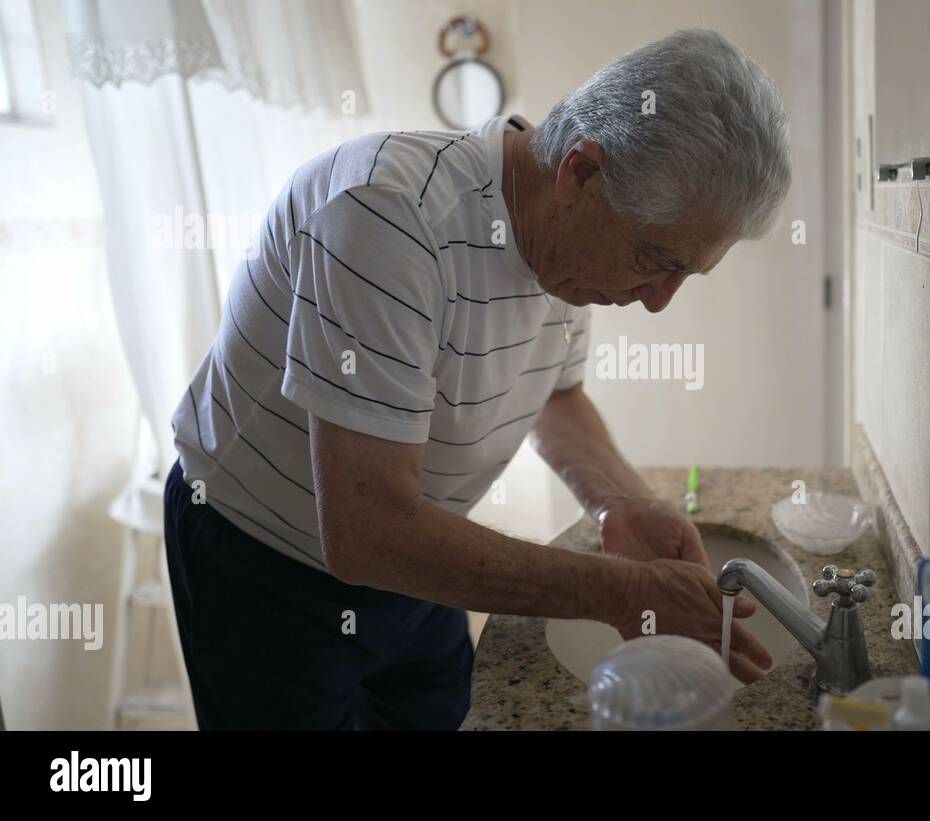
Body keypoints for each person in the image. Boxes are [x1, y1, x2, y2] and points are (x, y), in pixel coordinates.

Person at [163, 28, 792, 729]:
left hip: (422, 548)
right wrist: (622, 592)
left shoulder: (568, 246)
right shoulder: (387, 216)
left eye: (684, 272)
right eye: (655, 258)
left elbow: (556, 396)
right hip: (266, 567)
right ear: (580, 173)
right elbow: (365, 530)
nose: (657, 299)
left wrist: (619, 501)